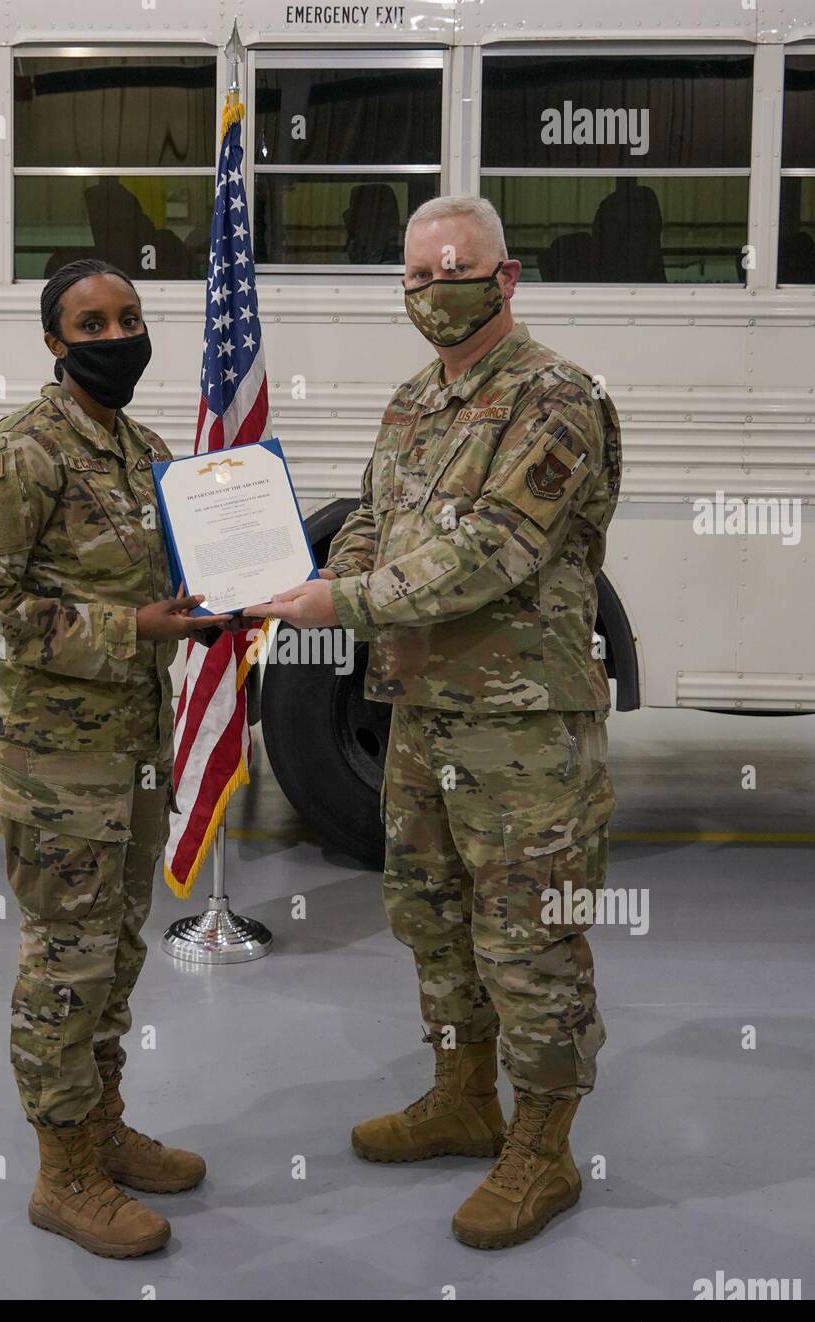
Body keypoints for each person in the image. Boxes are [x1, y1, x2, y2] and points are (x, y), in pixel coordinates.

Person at [246, 195, 622, 1249]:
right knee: (431, 913)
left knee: (532, 939)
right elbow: (374, 514)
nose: (433, 292)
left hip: (524, 730)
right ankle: (464, 1097)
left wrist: (342, 606)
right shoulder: (417, 398)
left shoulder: (555, 399)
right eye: (416, 277)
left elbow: (494, 548)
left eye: (455, 270)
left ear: (506, 278)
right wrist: (341, 570)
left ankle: (543, 1149)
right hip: (420, 718)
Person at [0, 258, 229, 1259]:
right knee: (64, 959)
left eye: (130, 317)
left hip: (134, 747)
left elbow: (170, 581)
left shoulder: (144, 448)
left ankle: (100, 1121)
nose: (118, 336)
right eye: (92, 322)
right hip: (52, 756)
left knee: (114, 948)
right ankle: (62, 1170)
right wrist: (129, 628)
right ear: (55, 341)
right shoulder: (23, 452)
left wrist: (209, 607)